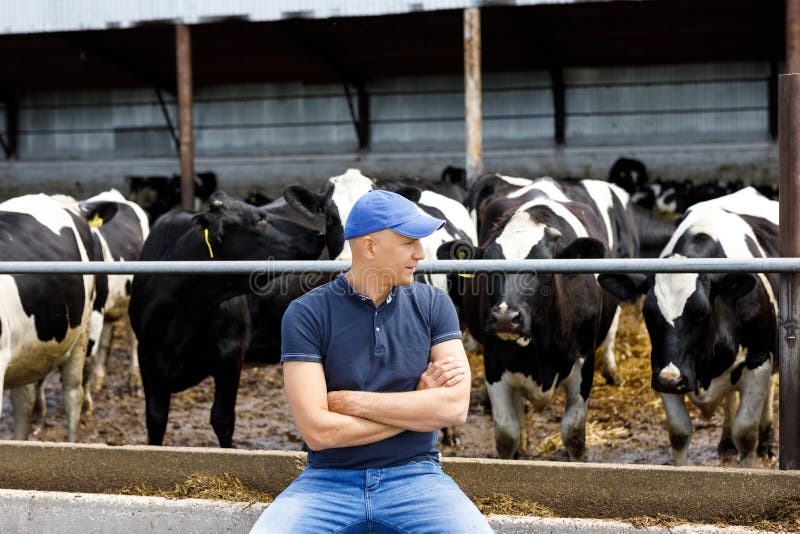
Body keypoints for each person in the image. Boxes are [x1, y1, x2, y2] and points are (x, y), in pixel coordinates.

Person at [250, 189, 492, 533]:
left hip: (416, 476)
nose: (421, 254)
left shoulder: (435, 304)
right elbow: (318, 432)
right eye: (409, 242)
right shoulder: (305, 314)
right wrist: (418, 409)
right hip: (327, 482)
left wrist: (353, 402)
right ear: (370, 246)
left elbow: (454, 410)